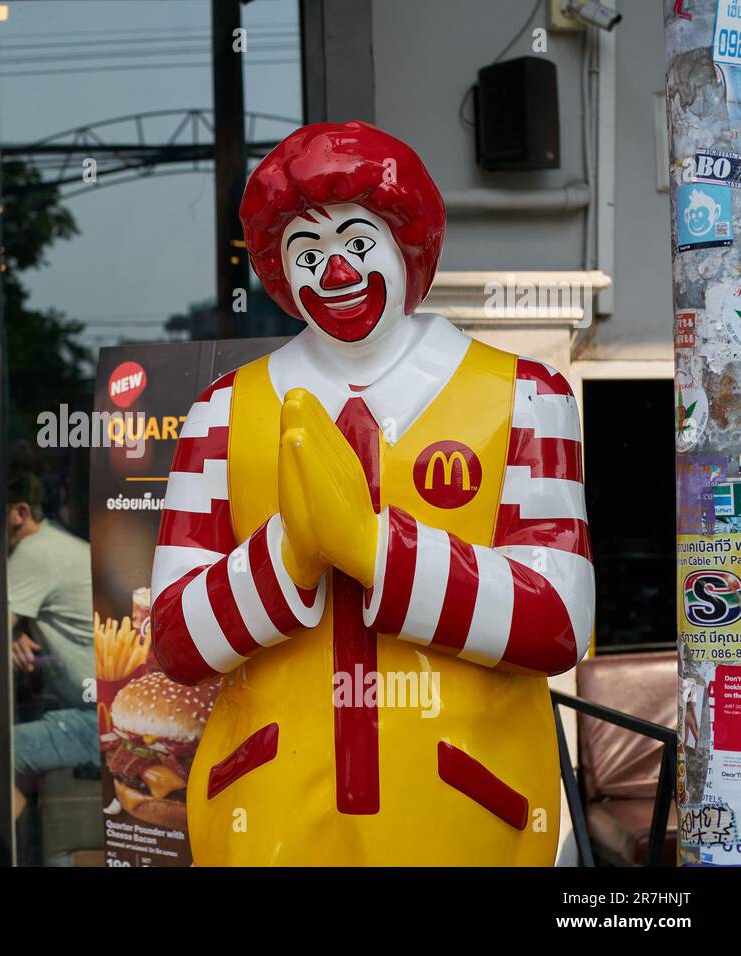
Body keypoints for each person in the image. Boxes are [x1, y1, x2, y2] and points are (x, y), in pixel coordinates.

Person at [149, 121, 594, 866]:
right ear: (281, 274)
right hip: (269, 814)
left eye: (357, 242)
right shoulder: (221, 414)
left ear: (406, 244)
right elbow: (174, 640)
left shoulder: (525, 398)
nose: (335, 271)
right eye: (307, 252)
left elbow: (558, 622)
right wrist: (289, 557)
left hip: (474, 811)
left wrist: (376, 550)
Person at [6, 467, 98, 847]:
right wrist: (14, 633)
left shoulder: (32, 553)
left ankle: (19, 854)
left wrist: (6, 632)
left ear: (20, 513)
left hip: (95, 720)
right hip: (96, 708)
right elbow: (0, 629)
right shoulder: (55, 542)